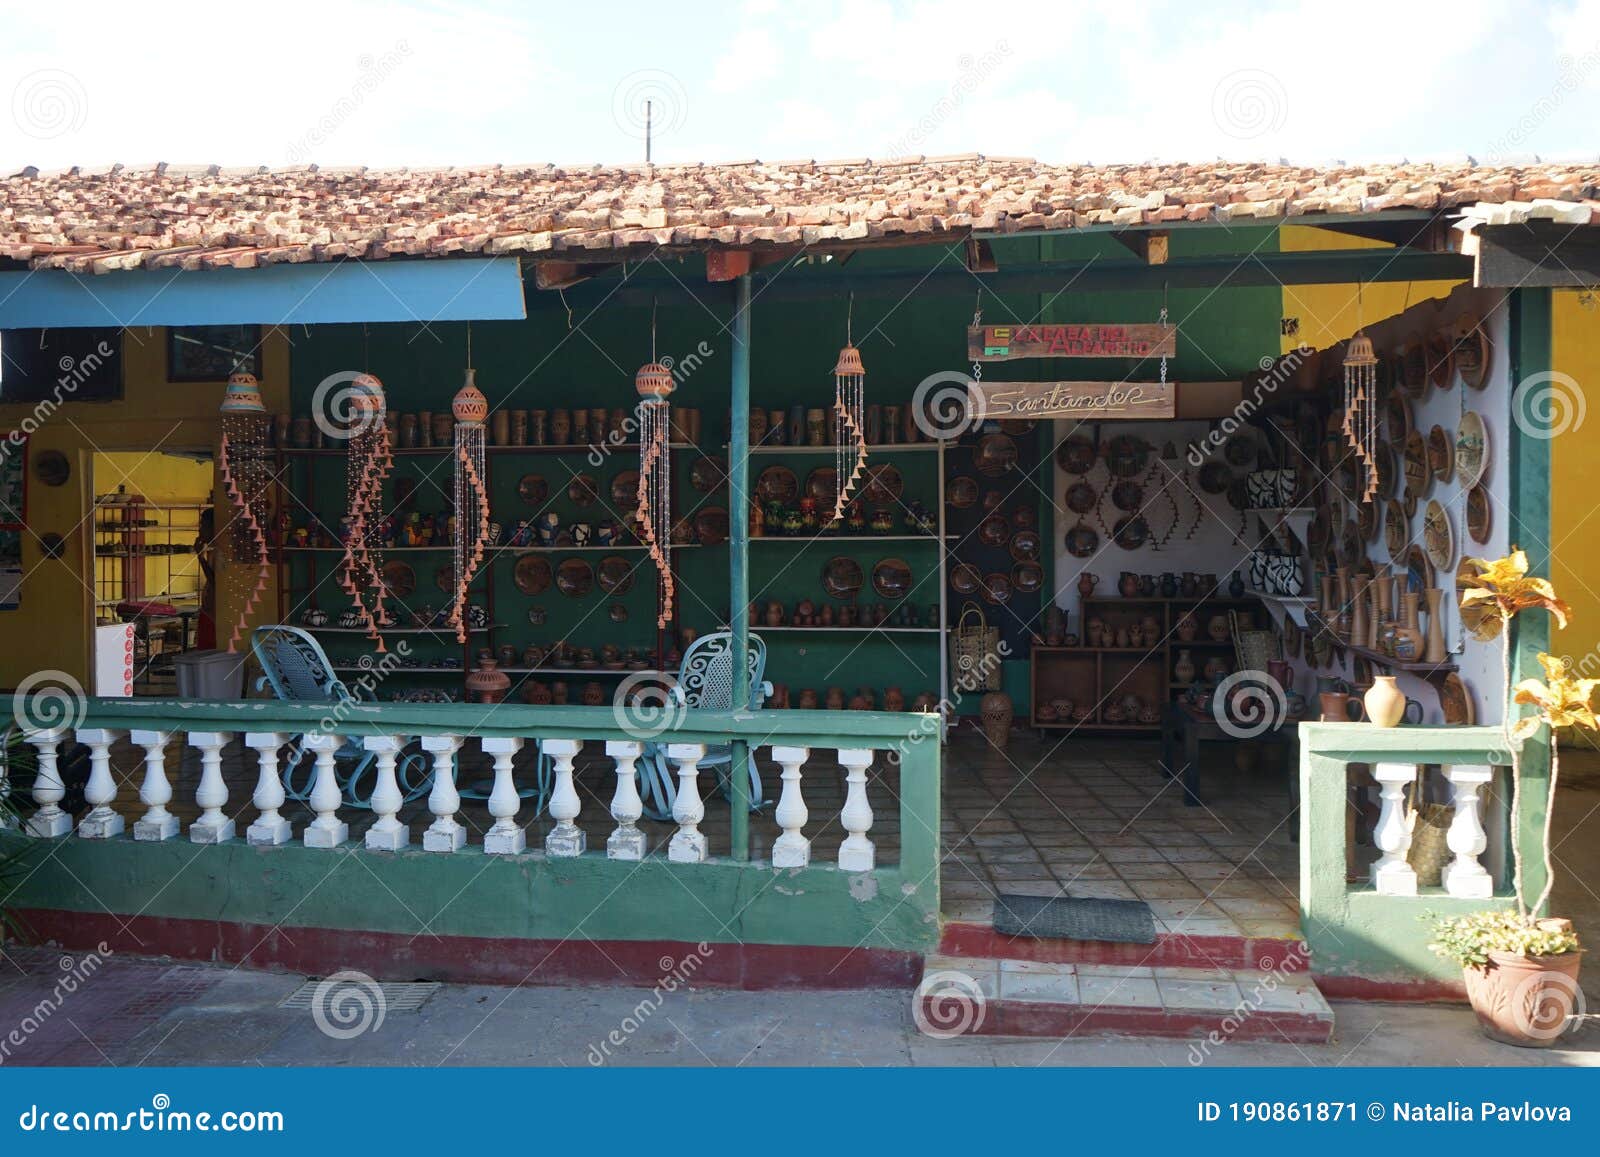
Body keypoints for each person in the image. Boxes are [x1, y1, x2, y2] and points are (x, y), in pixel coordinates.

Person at [195, 507, 216, 650]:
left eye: (204, 525)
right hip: (208, 611)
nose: (200, 530)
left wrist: (200, 557)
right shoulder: (214, 550)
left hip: (214, 615)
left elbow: (216, 582)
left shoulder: (220, 552)